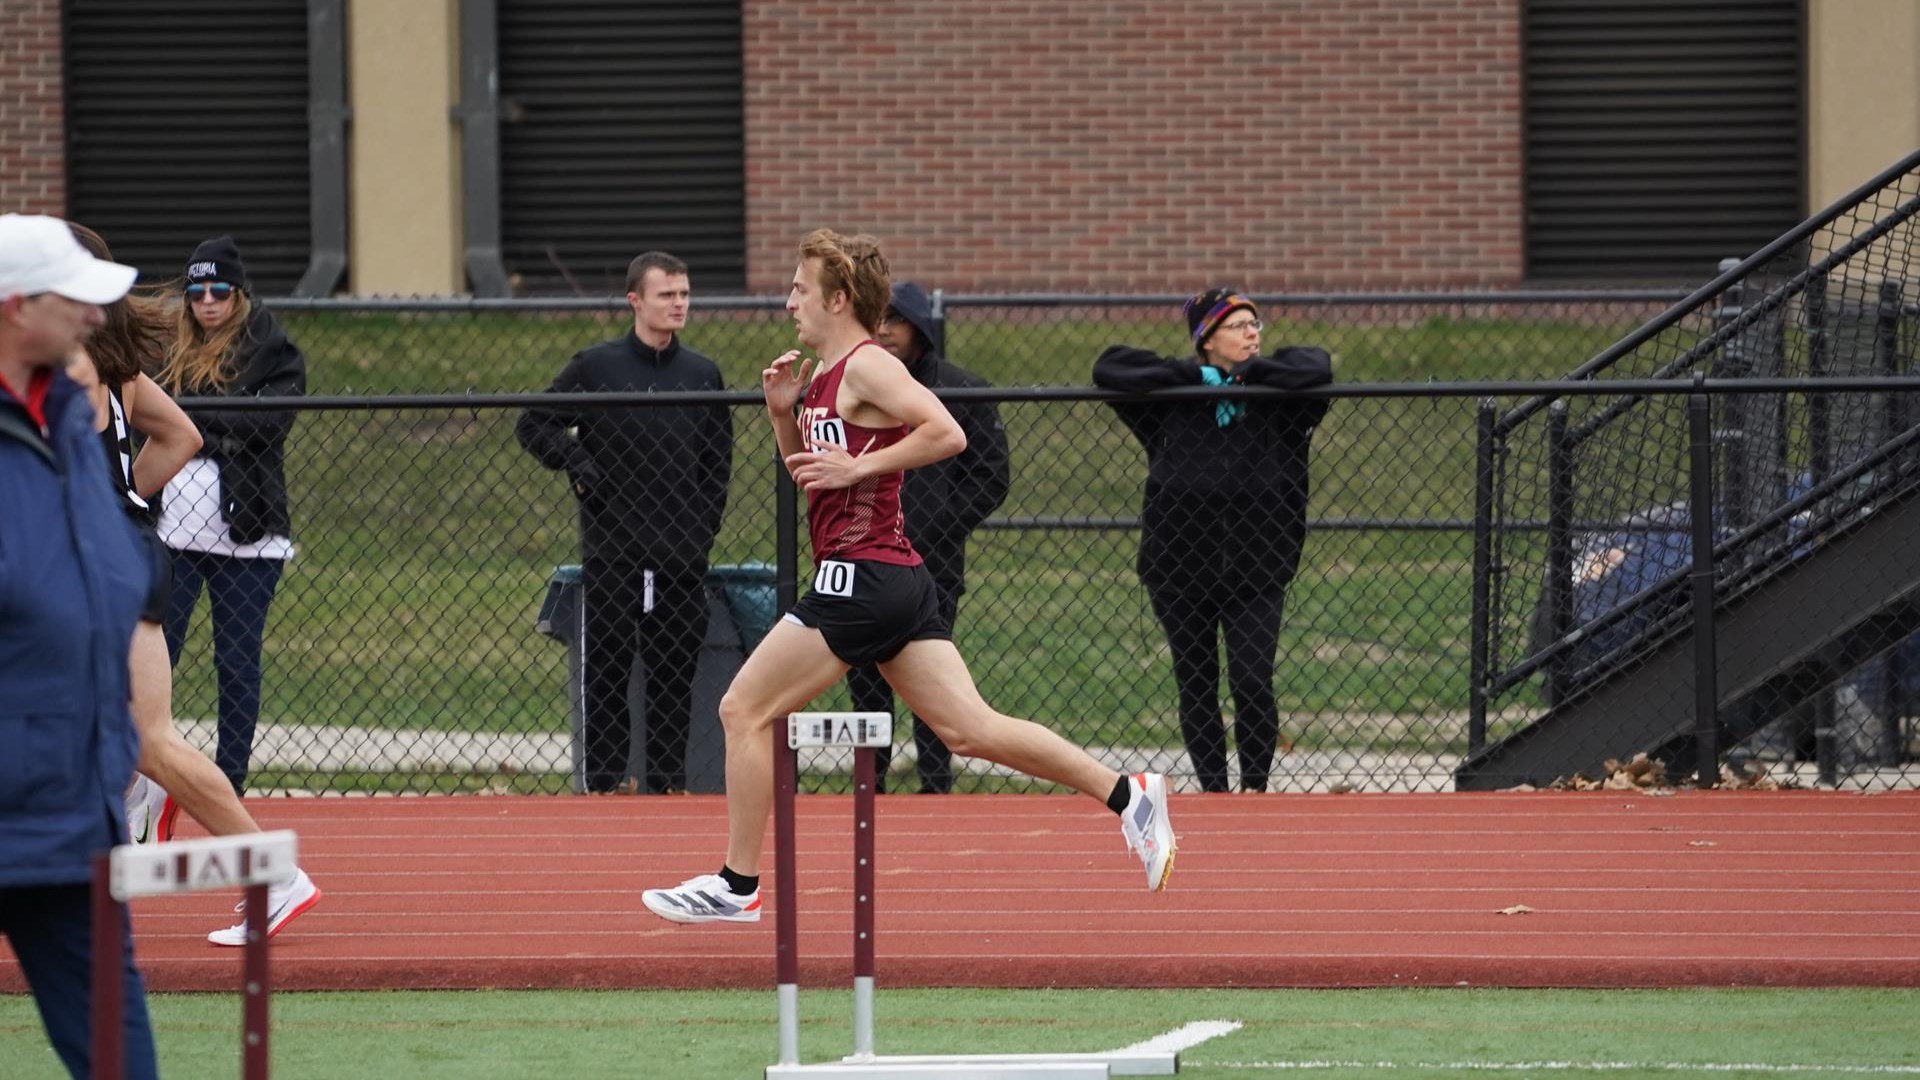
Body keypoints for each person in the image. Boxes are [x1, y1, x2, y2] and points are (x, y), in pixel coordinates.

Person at [641, 229, 1175, 926]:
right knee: (970, 729)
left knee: (744, 710)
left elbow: (946, 432)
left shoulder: (868, 366)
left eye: (800, 290)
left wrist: (862, 467)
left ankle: (738, 884)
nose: (788, 302)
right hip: (892, 578)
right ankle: (1128, 794)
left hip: (861, 578)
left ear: (838, 299)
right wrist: (782, 416)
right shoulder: (826, 377)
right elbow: (814, 477)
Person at [69, 223, 321, 945]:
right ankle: (133, 809)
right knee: (136, 739)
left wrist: (112, 512)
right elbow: (180, 434)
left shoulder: (71, 370)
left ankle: (263, 868)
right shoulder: (109, 364)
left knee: (143, 740)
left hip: (101, 566)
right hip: (124, 554)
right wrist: (131, 505)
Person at [0, 212, 159, 1079]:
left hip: (69, 813)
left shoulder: (67, 413)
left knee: (121, 1061)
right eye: (76, 301)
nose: (97, 317)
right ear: (17, 307)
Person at [1092, 288, 1333, 792]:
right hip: (1178, 568)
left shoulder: (1279, 401)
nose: (1252, 333)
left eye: (1256, 324)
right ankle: (1215, 791)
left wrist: (1243, 378)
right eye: (1237, 326)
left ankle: (1255, 787)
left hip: (1259, 567)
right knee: (1196, 683)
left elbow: (1315, 367)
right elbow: (1110, 368)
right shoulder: (1174, 401)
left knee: (1251, 679)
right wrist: (1196, 377)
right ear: (1206, 339)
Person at [516, 251, 733, 795]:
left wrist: (699, 533)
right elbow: (534, 423)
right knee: (607, 671)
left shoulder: (702, 375)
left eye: (684, 294)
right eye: (666, 295)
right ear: (635, 300)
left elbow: (717, 464)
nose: (678, 304)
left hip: (681, 556)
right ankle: (607, 788)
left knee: (674, 675)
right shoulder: (596, 366)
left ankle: (668, 787)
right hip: (613, 550)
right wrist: (577, 462)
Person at [154, 236, 307, 795]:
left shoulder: (273, 349)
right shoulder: (166, 349)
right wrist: (221, 425)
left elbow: (269, 425)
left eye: (219, 291)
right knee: (157, 658)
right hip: (171, 534)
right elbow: (151, 415)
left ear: (239, 294)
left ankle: (229, 780)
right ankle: (151, 769)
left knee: (237, 661)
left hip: (248, 534)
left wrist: (193, 425)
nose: (208, 302)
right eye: (197, 292)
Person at [844, 281, 1010, 793]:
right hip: (864, 561)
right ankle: (870, 788)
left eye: (897, 320)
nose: (885, 330)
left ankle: (935, 786)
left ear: (921, 327)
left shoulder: (961, 390)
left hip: (930, 563)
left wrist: (935, 527)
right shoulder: (858, 389)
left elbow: (991, 475)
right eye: (878, 319)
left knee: (933, 682)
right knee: (866, 677)